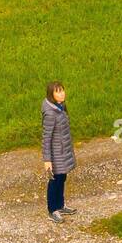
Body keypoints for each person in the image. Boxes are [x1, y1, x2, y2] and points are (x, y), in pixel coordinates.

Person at [41, 82, 76, 222]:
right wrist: (47, 160)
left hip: (63, 153)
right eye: (58, 91)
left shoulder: (60, 107)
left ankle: (60, 205)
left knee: (62, 178)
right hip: (55, 155)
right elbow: (46, 138)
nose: (62, 93)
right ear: (52, 95)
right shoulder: (50, 114)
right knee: (54, 181)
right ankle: (52, 210)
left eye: (62, 90)